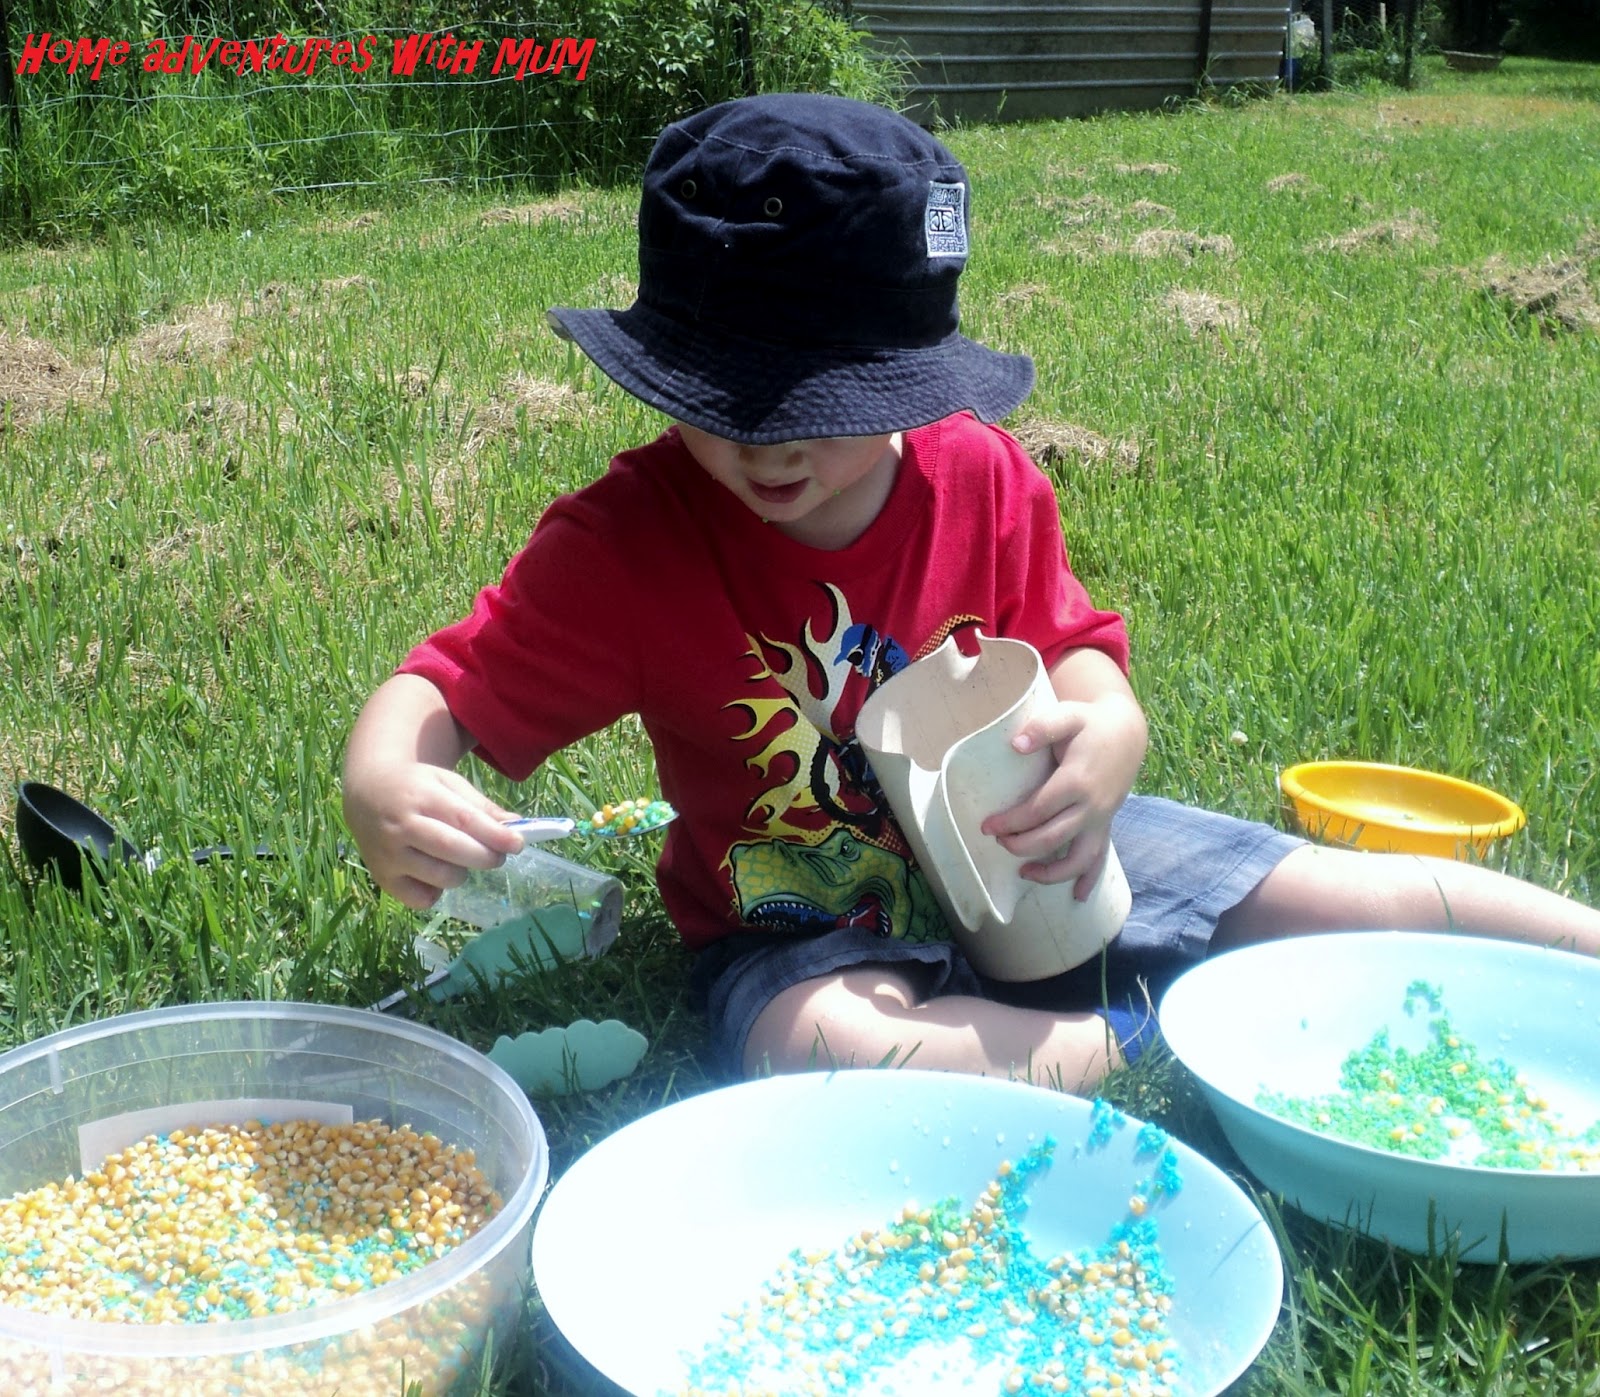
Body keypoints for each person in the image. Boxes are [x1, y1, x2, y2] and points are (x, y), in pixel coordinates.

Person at [342, 93, 1600, 1094]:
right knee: (823, 1044)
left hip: (1029, 841)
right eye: (725, 401)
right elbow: (449, 685)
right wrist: (386, 773)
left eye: (825, 405)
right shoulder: (630, 542)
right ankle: (1176, 1039)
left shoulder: (979, 475)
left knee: (1316, 887)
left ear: (906, 376)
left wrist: (1109, 731)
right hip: (798, 916)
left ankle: (1575, 948)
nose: (771, 446)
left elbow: (1076, 647)